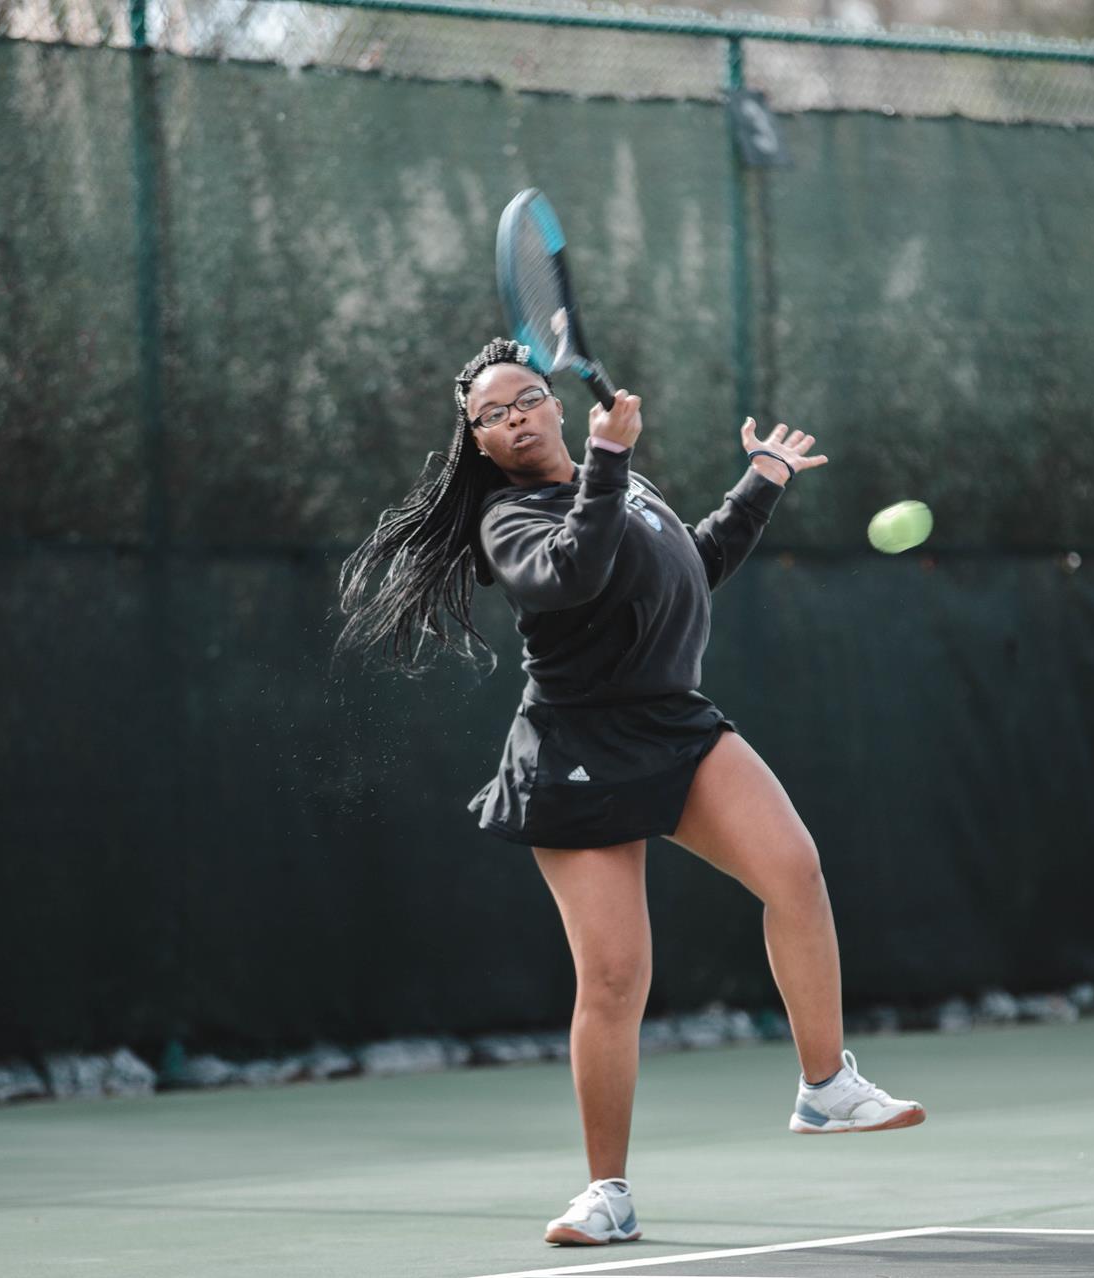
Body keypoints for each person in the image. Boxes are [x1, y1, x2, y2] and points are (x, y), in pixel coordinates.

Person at [336, 338, 922, 1248]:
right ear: (479, 442)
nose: (516, 416)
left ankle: (826, 1087)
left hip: (676, 724)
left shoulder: (628, 486)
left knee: (795, 871)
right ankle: (606, 1191)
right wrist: (609, 460)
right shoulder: (510, 520)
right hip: (575, 744)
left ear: (555, 403)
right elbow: (574, 573)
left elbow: (687, 564)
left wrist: (760, 481)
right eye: (492, 414)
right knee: (614, 979)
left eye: (527, 397)